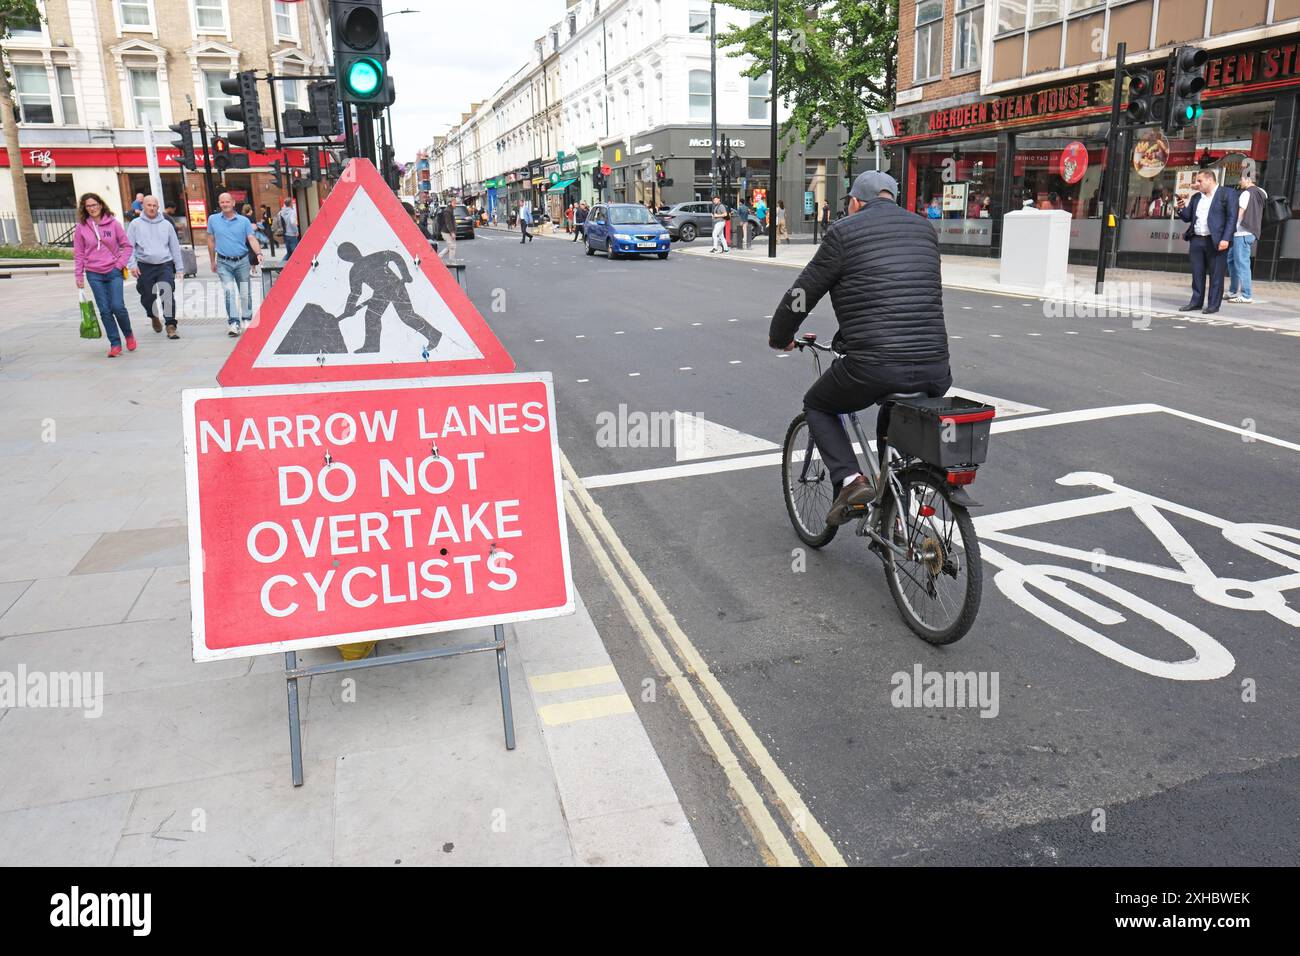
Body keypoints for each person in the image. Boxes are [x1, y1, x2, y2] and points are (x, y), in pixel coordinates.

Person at [768, 171, 952, 525]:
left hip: (874, 365)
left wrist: (780, 335)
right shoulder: (925, 230)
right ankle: (895, 504)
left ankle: (851, 480)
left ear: (855, 202)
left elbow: (803, 293)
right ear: (892, 197)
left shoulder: (843, 232)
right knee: (895, 413)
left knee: (818, 404)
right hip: (935, 366)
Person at [336, 241, 442, 353]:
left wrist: (405, 274)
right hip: (380, 293)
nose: (351, 256)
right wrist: (349, 308)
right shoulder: (355, 271)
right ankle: (372, 346)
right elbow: (355, 292)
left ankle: (434, 335)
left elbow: (394, 256)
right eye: (347, 255)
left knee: (406, 315)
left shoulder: (372, 259)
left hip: (395, 286)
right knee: (372, 317)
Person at [74, 192, 135, 358]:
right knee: (105, 310)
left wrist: (119, 265)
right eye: (88, 206)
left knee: (117, 307)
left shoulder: (113, 224)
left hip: (113, 271)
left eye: (94, 205)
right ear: (84, 208)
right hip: (94, 274)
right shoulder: (81, 227)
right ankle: (115, 344)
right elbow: (79, 253)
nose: (92, 208)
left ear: (100, 205)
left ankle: (128, 334)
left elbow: (127, 246)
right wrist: (78, 275)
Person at [1175, 169, 1237, 315]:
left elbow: (1232, 218)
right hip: (1197, 239)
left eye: (1200, 181)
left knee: (1216, 275)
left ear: (1210, 180)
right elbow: (1187, 217)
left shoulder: (1227, 194)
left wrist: (1226, 238)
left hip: (1215, 240)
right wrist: (1181, 208)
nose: (1197, 184)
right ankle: (1196, 302)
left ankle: (1213, 305)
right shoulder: (1197, 197)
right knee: (1197, 273)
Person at [126, 194, 183, 340]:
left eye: (154, 205)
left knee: (167, 293)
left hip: (165, 264)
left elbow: (174, 246)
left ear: (158, 207)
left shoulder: (166, 224)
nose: (152, 208)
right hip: (144, 266)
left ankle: (170, 325)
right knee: (147, 296)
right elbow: (128, 247)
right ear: (143, 206)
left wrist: (179, 268)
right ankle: (153, 316)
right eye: (149, 205)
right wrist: (132, 265)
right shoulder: (135, 224)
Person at [207, 191, 263, 336]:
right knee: (229, 292)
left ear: (233, 203)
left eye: (227, 201)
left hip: (242, 261)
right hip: (223, 262)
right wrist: (212, 261)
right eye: (222, 202)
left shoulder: (244, 221)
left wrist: (258, 253)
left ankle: (246, 319)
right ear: (219, 204)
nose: (225, 204)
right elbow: (211, 240)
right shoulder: (213, 219)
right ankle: (233, 323)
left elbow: (251, 238)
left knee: (244, 292)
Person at [1227, 172, 1267, 304]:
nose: (1240, 182)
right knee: (1232, 260)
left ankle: (1246, 295)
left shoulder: (1246, 193)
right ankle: (1233, 290)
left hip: (1242, 232)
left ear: (1248, 179)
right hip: (1251, 232)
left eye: (1241, 179)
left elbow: (1239, 214)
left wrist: (1228, 228)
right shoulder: (1262, 192)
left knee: (1242, 264)